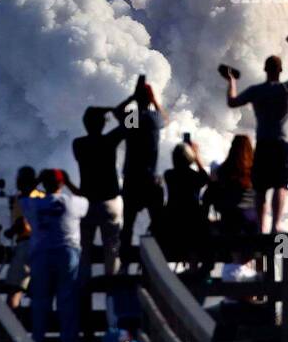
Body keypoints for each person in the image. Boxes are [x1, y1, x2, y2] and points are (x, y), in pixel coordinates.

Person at [224, 34, 288, 233]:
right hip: (282, 143)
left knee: (260, 187)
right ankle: (276, 225)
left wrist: (231, 81)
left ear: (265, 70)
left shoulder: (256, 91)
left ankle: (260, 227)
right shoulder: (287, 88)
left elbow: (232, 102)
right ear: (280, 70)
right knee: (281, 185)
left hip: (263, 142)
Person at [19, 168, 89, 342]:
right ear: (62, 183)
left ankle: (37, 341)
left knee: (41, 299)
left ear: (44, 184)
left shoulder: (34, 204)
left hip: (41, 253)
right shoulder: (74, 203)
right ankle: (69, 341)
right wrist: (70, 182)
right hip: (68, 252)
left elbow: (22, 196)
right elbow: (86, 198)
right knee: (67, 298)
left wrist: (36, 182)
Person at [114, 76, 166, 253]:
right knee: (158, 223)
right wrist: (152, 100)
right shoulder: (153, 120)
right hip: (150, 179)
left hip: (132, 179)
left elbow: (117, 112)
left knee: (127, 223)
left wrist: (132, 98)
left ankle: (124, 260)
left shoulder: (134, 119)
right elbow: (164, 118)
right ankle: (159, 257)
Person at [73, 106, 126, 276]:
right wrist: (125, 108)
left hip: (87, 204)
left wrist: (107, 110)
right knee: (112, 248)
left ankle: (83, 288)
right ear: (103, 124)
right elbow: (132, 124)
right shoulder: (109, 141)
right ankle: (112, 287)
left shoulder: (79, 144)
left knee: (84, 249)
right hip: (109, 201)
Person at [160, 139, 211, 267]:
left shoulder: (169, 175)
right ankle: (194, 269)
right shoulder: (195, 177)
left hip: (173, 218)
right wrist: (197, 156)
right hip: (193, 218)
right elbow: (205, 177)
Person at [204, 135, 258, 238]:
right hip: (251, 222)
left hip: (229, 220)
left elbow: (209, 197)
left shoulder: (222, 171)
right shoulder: (255, 172)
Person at [4, 166, 43, 309]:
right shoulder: (44, 197)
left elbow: (22, 222)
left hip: (26, 243)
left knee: (15, 288)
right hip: (45, 245)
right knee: (40, 290)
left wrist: (10, 232)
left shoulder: (22, 199)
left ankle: (11, 320)